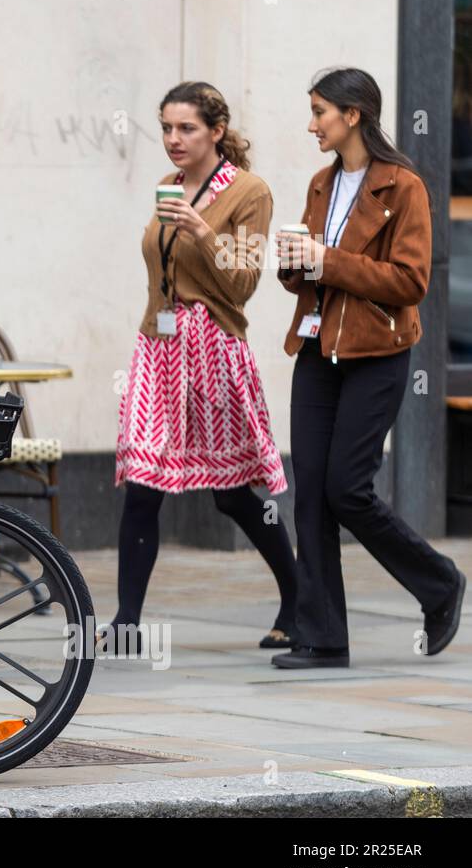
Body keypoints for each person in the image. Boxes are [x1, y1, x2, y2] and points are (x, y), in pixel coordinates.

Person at [274, 67, 467, 669]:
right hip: (317, 350)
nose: (312, 124)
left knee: (347, 489)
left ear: (353, 115)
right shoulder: (318, 184)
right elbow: (311, 274)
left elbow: (410, 281)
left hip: (377, 354)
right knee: (309, 496)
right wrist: (293, 263)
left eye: (320, 112)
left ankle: (439, 583)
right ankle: (323, 637)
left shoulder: (403, 186)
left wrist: (325, 260)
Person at [106, 81, 298, 654]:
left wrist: (201, 229)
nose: (173, 139)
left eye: (186, 128)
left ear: (216, 131)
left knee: (233, 492)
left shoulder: (249, 192)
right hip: (158, 346)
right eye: (166, 128)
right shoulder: (167, 185)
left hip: (213, 348)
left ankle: (297, 595)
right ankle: (126, 623)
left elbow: (241, 284)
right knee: (142, 483)